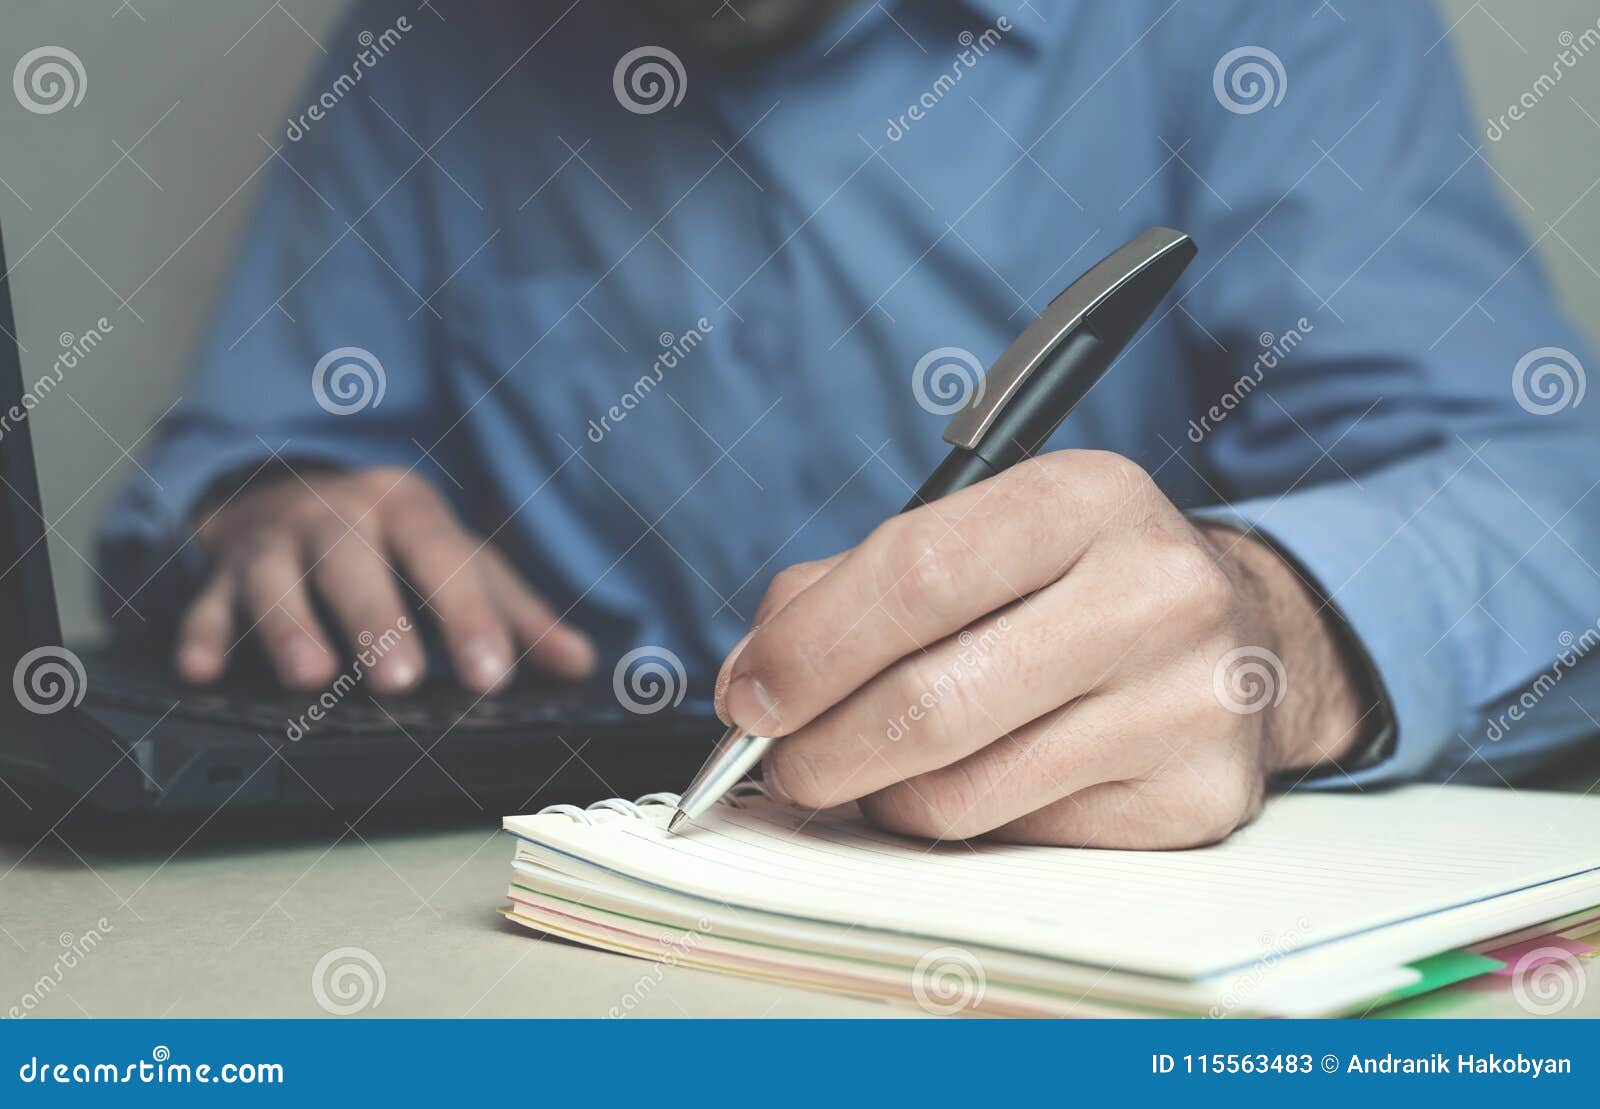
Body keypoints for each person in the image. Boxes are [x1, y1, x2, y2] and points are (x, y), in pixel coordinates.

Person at [99, 0, 1600, 847]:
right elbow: (228, 459)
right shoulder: (421, 41)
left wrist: (1273, 632)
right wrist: (270, 503)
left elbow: (1550, 491)